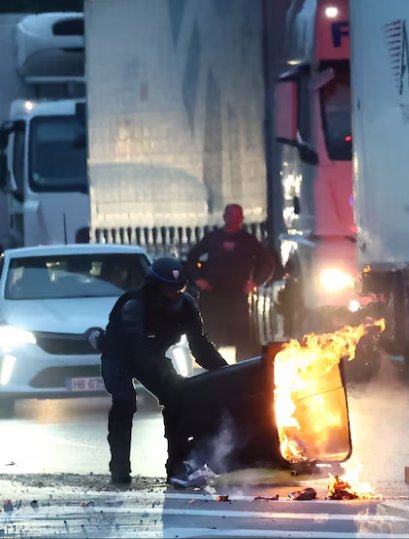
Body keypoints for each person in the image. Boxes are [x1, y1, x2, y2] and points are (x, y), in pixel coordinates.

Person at [99, 257, 228, 486]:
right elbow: (137, 351)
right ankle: (119, 468)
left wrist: (226, 372)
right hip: (119, 357)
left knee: (178, 399)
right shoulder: (134, 305)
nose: (175, 293)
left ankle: (177, 467)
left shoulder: (187, 306)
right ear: (154, 286)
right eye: (169, 288)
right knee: (125, 402)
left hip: (153, 356)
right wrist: (167, 376)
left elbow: (200, 347)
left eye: (180, 288)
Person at [185, 203, 276, 361]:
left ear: (241, 219)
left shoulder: (247, 240)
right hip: (214, 295)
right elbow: (192, 258)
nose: (233, 220)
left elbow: (267, 261)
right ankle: (212, 366)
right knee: (212, 333)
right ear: (224, 217)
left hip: (238, 295)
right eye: (230, 216)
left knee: (242, 335)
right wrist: (198, 279)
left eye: (237, 217)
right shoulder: (213, 238)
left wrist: (255, 282)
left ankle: (243, 367)